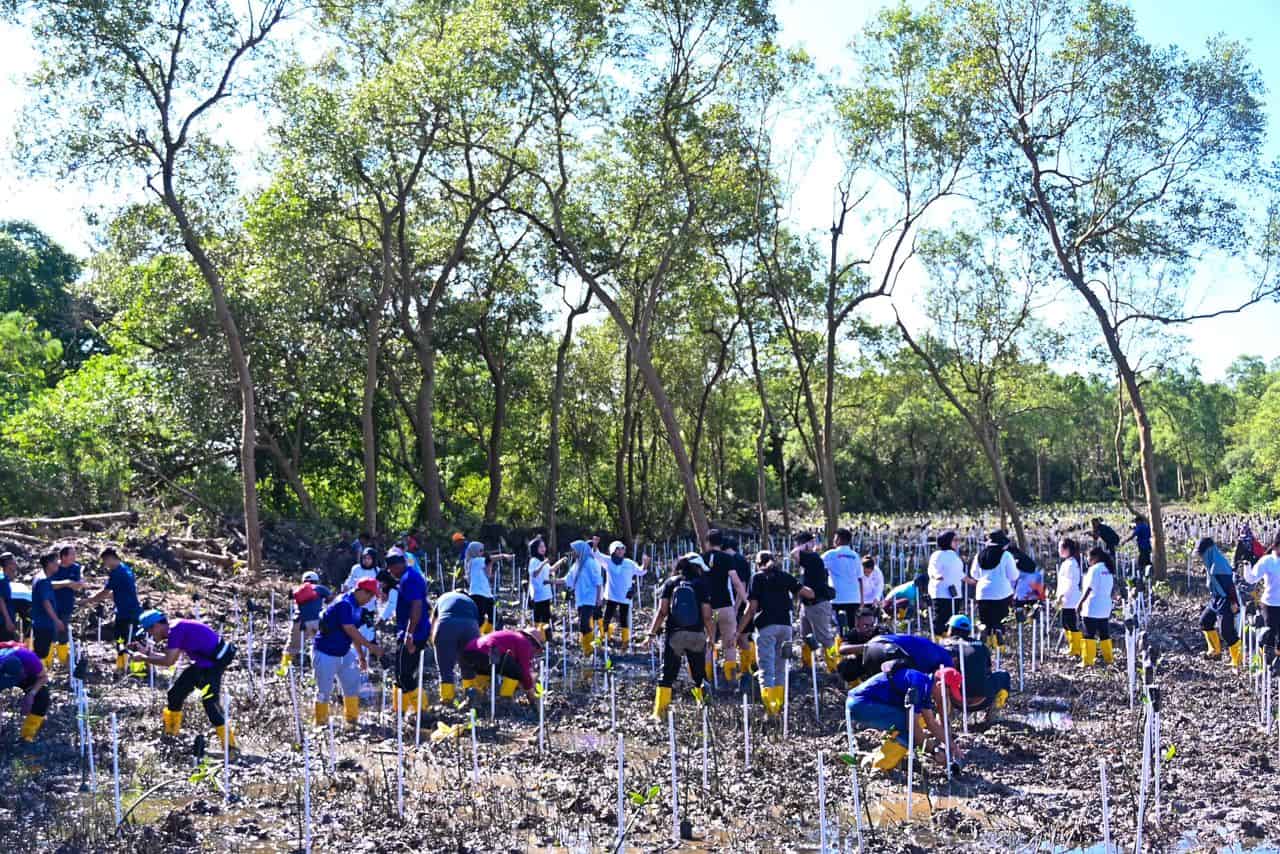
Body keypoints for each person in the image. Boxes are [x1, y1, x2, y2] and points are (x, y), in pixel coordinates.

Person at [130, 610, 236, 745]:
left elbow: (169, 662)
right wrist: (147, 654)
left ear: (156, 626)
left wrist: (144, 658)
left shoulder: (176, 631)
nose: (150, 635)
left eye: (149, 631)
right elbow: (170, 657)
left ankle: (231, 747)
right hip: (202, 664)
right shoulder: (175, 629)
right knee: (175, 694)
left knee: (210, 705)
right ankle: (170, 736)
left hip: (212, 665)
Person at [846, 659, 961, 772]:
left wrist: (952, 746)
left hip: (861, 703)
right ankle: (880, 767)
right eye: (948, 694)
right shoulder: (919, 684)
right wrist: (934, 751)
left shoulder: (925, 686)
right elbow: (913, 728)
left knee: (915, 722)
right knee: (908, 728)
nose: (947, 699)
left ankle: (880, 760)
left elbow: (931, 723)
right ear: (940, 686)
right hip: (861, 704)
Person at [736, 551, 814, 716]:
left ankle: (770, 709)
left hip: (766, 626)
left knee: (766, 668)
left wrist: (738, 631)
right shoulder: (784, 576)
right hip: (786, 626)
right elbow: (808, 593)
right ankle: (779, 706)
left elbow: (751, 609)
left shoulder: (757, 578)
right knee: (781, 667)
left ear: (758, 564)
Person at [648, 553, 714, 720]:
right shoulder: (701, 584)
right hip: (697, 635)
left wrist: (651, 633)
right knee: (699, 674)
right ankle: (705, 711)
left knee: (668, 674)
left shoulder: (671, 583)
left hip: (675, 635)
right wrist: (712, 637)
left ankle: (659, 714)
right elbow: (707, 616)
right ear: (697, 568)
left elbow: (663, 612)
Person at [313, 578, 384, 726]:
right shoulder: (344, 603)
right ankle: (320, 723)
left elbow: (354, 633)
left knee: (352, 685)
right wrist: (371, 647)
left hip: (344, 652)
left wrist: (361, 656)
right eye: (369, 595)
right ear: (361, 591)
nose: (370, 599)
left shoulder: (357, 607)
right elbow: (349, 629)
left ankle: (352, 720)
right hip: (326, 652)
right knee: (323, 691)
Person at [386, 552, 432, 713]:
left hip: (413, 632)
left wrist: (409, 634)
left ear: (395, 566)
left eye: (391, 569)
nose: (391, 573)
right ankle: (400, 710)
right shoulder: (411, 575)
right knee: (401, 672)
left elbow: (417, 606)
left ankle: (423, 711)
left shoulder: (409, 579)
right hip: (415, 631)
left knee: (403, 674)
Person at [941, 614, 1011, 720]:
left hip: (955, 700)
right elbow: (988, 671)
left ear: (951, 629)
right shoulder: (981, 645)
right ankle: (993, 715)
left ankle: (946, 717)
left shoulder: (944, 645)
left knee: (939, 679)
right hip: (983, 700)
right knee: (1004, 676)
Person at [85, 547, 142, 674]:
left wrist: (89, 600)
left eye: (105, 561)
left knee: (124, 640)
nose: (105, 564)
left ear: (110, 558)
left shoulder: (117, 572)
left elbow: (105, 592)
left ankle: (126, 668)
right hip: (126, 610)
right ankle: (124, 666)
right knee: (124, 639)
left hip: (127, 612)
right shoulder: (125, 568)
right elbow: (119, 592)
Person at [703, 530, 748, 682]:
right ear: (721, 543)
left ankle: (708, 678)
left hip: (708, 608)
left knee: (709, 642)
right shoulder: (727, 558)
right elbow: (736, 582)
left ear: (707, 543)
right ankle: (731, 679)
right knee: (729, 644)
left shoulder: (701, 559)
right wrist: (745, 600)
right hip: (725, 606)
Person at [461, 627, 545, 702]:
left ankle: (478, 695)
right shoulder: (524, 642)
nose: (534, 651)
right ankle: (506, 698)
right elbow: (524, 671)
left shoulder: (512, 636)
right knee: (517, 671)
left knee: (484, 670)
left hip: (469, 652)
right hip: (488, 653)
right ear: (532, 641)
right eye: (536, 648)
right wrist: (530, 692)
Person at [793, 533, 837, 672]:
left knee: (825, 638)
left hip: (818, 604)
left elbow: (794, 553)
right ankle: (807, 665)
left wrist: (805, 546)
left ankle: (834, 667)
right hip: (807, 605)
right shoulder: (809, 559)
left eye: (798, 544)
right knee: (805, 636)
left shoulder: (812, 557)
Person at [431, 590, 484, 702]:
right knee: (469, 663)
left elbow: (433, 620)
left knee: (445, 667)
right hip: (470, 627)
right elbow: (478, 624)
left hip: (446, 624)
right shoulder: (471, 601)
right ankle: (470, 694)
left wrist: (433, 639)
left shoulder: (443, 597)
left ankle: (447, 699)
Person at [1199, 537, 1242, 666]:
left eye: (1202, 553)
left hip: (1227, 600)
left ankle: (1237, 661)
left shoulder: (1219, 565)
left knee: (1226, 631)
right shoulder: (1210, 564)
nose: (1201, 557)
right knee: (1205, 621)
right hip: (1216, 599)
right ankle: (1215, 651)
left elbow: (1230, 586)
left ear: (1209, 551)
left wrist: (1234, 603)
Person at [972, 531, 1018, 647]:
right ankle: (999, 646)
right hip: (1001, 592)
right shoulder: (1006, 555)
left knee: (985, 621)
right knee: (1000, 621)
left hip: (982, 593)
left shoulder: (979, 555)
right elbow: (1013, 575)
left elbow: (974, 574)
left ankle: (986, 645)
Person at [0, 642, 50, 742]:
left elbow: (44, 677)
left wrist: (31, 694)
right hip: (3, 675)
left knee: (42, 696)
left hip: (26, 677)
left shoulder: (30, 660)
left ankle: (27, 735)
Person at [601, 541, 648, 645]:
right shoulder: (607, 561)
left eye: (622, 549)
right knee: (607, 617)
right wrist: (594, 545)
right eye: (618, 549)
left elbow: (641, 571)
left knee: (624, 619)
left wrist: (645, 564)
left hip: (625, 597)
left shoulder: (629, 563)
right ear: (613, 551)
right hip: (611, 596)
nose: (621, 551)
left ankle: (625, 641)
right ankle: (605, 637)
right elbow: (596, 555)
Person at [724, 539, 758, 680]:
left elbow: (741, 585)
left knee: (743, 636)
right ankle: (747, 667)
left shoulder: (737, 560)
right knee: (743, 637)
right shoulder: (735, 559)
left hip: (741, 604)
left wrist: (736, 607)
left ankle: (750, 668)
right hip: (738, 604)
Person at [342, 547, 382, 670]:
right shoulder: (356, 569)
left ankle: (367, 659)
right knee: (354, 631)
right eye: (364, 558)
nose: (366, 561)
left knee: (369, 633)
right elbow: (349, 583)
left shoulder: (377, 571)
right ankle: (355, 660)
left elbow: (380, 590)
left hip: (369, 608)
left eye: (369, 558)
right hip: (355, 606)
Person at [284, 571, 331, 670]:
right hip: (316, 622)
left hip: (299, 621)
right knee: (320, 646)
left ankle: (283, 669)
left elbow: (290, 597)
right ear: (316, 580)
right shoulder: (321, 588)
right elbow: (330, 599)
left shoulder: (298, 589)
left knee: (291, 647)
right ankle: (319, 669)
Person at [1244, 533, 1280, 664]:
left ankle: (1276, 665)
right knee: (1269, 635)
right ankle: (1264, 664)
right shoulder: (1267, 561)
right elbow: (1251, 578)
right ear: (1276, 546)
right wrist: (1247, 567)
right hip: (1270, 604)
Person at [1079, 547, 1116, 667]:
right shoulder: (1108, 569)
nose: (1087, 559)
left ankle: (1087, 661)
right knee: (1104, 634)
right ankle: (1109, 658)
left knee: (1089, 634)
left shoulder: (1094, 570)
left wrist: (1080, 603)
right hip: (1105, 606)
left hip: (1092, 606)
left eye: (1088, 557)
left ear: (1095, 557)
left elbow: (1090, 588)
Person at [823, 528, 862, 641]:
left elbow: (817, 566)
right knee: (852, 627)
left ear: (839, 539)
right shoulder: (855, 556)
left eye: (835, 538)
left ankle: (840, 648)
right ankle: (852, 647)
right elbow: (860, 578)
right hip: (854, 597)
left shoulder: (831, 554)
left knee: (838, 627)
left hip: (838, 597)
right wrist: (861, 598)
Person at [467, 541, 514, 634]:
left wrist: (490, 563)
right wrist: (503, 555)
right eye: (480, 550)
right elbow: (489, 559)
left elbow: (489, 574)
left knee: (494, 618)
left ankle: (488, 635)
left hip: (487, 594)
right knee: (480, 619)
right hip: (478, 595)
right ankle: (477, 637)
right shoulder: (474, 561)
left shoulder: (480, 563)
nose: (482, 553)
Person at [566, 540, 604, 657]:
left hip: (589, 598)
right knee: (583, 625)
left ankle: (591, 649)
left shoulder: (590, 563)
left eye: (574, 550)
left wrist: (598, 598)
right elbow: (568, 579)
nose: (572, 553)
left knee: (584, 624)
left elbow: (598, 582)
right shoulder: (576, 564)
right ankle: (588, 650)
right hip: (580, 599)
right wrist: (550, 581)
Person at [527, 537, 568, 643]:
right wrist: (544, 563)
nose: (543, 548)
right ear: (535, 549)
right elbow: (534, 573)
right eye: (540, 547)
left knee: (546, 616)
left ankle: (546, 638)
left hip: (546, 594)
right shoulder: (534, 561)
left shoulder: (542, 560)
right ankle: (537, 637)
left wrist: (560, 562)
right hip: (538, 594)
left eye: (544, 546)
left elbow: (551, 570)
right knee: (538, 617)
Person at [927, 532, 968, 637]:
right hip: (942, 593)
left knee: (952, 619)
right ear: (947, 541)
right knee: (941, 619)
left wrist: (971, 581)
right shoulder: (937, 554)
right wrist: (936, 576)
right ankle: (937, 642)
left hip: (955, 593)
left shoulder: (954, 555)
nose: (957, 542)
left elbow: (959, 573)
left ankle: (949, 642)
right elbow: (932, 569)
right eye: (955, 540)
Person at [50, 545, 85, 667]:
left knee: (63, 631)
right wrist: (66, 583)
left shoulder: (75, 568)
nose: (75, 557)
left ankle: (62, 660)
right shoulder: (54, 567)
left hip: (67, 604)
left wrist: (77, 584)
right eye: (72, 555)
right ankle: (47, 662)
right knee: (51, 632)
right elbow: (49, 584)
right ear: (63, 557)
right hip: (52, 605)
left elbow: (77, 584)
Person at [860, 632, 954, 677]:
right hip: (892, 652)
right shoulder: (947, 661)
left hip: (872, 646)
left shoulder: (933, 648)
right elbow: (938, 686)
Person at [30, 553, 65, 668]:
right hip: (44, 623)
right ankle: (36, 677)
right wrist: (56, 620)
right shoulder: (43, 580)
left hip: (41, 622)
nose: (58, 564)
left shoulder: (41, 577)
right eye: (56, 562)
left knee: (41, 651)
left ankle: (38, 675)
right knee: (40, 653)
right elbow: (46, 602)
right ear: (49, 564)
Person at [1056, 538, 1084, 658]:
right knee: (1065, 624)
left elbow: (1070, 583)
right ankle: (1072, 647)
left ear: (1067, 549)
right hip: (1065, 599)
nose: (1059, 550)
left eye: (1061, 548)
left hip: (1070, 599)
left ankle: (1076, 649)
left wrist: (1062, 596)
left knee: (1071, 624)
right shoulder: (1067, 562)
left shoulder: (1071, 564)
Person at [0, 552, 18, 643]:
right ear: (9, 564)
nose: (16, 564)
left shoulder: (5, 579)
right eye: (14, 562)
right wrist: (8, 621)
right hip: (3, 622)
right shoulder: (2, 580)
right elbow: (1, 600)